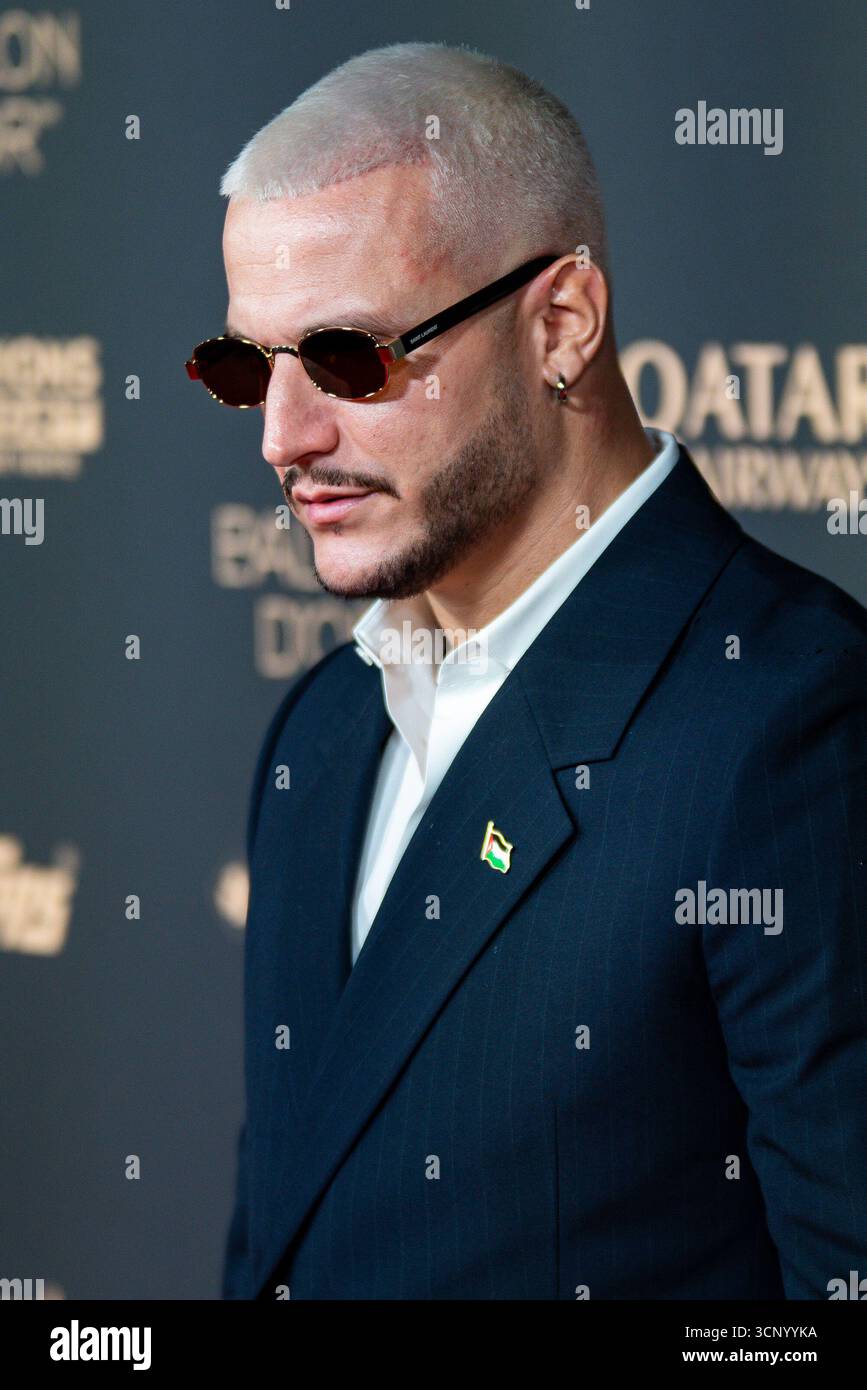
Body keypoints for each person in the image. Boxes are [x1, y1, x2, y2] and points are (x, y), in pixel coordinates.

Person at [185, 41, 867, 1300]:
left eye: (347, 359)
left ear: (560, 325)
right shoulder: (322, 735)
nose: (286, 438)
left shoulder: (796, 725)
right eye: (243, 367)